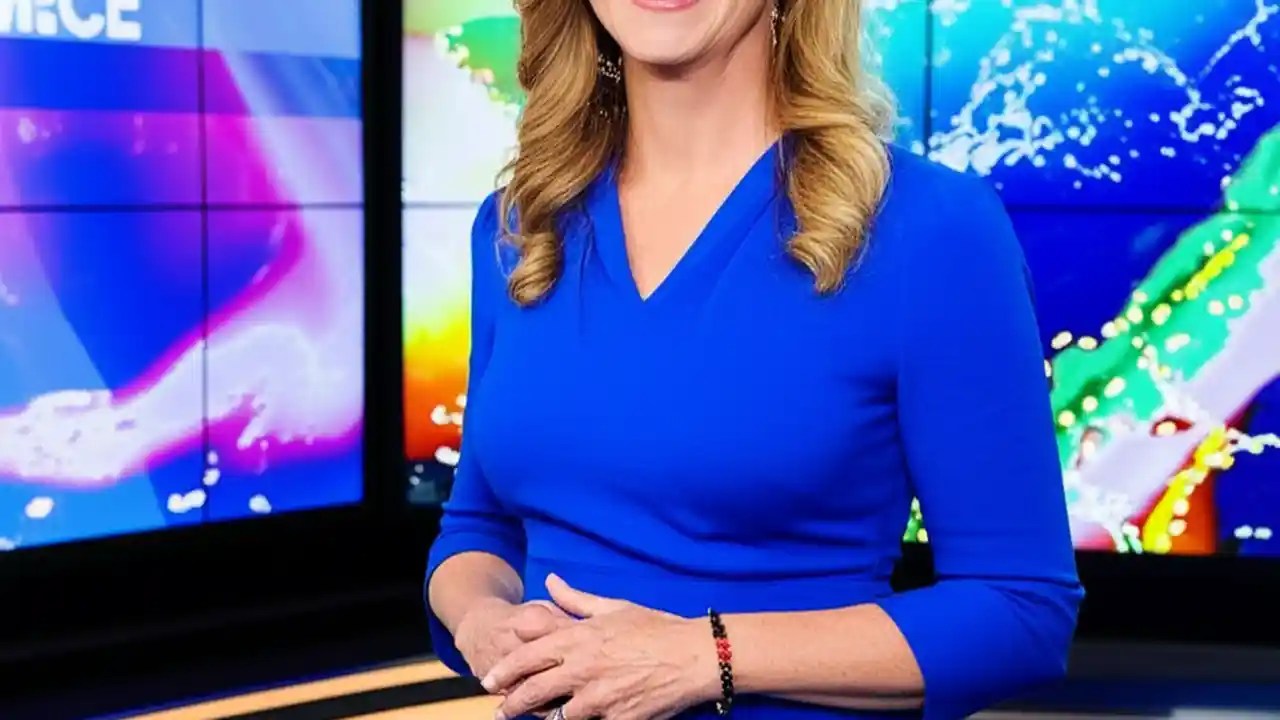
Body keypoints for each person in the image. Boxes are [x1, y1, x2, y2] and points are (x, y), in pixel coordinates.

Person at [424, 0, 1084, 718]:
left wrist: (703, 656)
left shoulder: (932, 229)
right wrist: (483, 626)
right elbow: (478, 529)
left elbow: (1021, 610)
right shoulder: (520, 224)